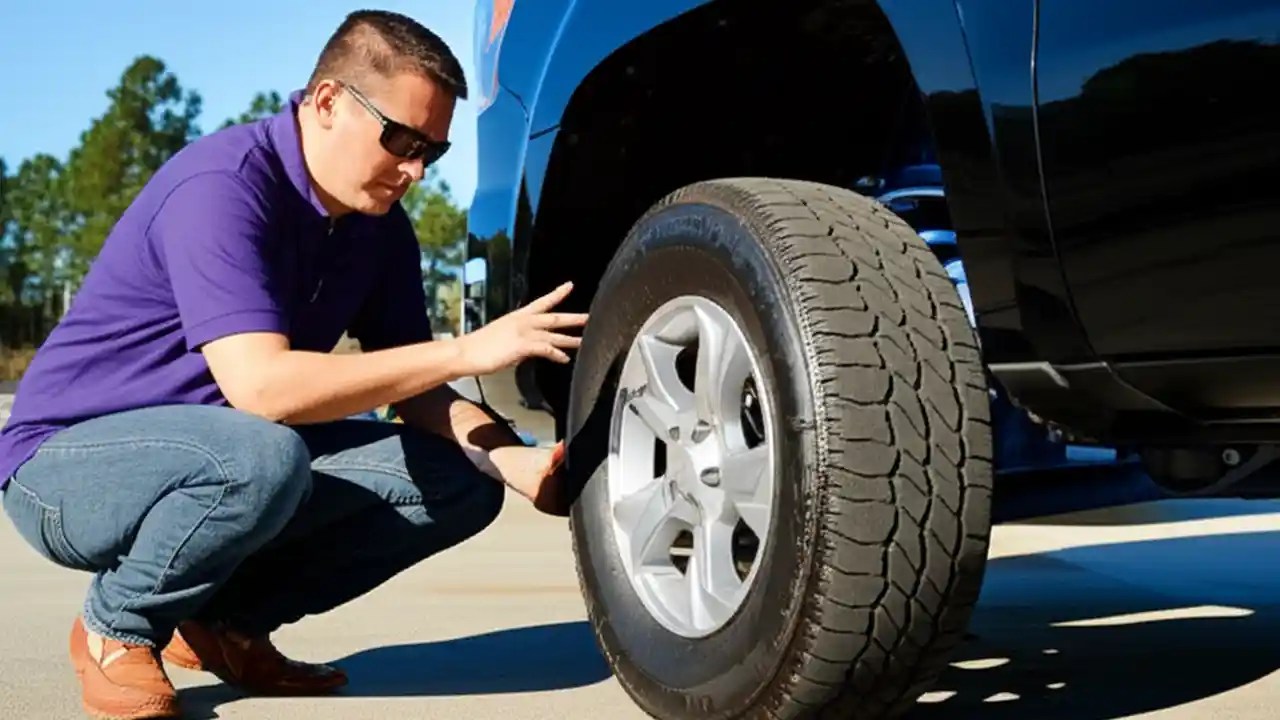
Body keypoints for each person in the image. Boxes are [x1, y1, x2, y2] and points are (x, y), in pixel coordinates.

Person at [0, 10, 585, 720]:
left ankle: (226, 623)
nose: (415, 170)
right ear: (330, 102)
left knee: (457, 482)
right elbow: (262, 388)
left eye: (432, 150)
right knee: (264, 455)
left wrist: (510, 459)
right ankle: (116, 625)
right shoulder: (222, 185)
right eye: (401, 139)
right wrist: (469, 349)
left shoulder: (379, 231)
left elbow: (416, 390)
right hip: (64, 467)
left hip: (225, 453)